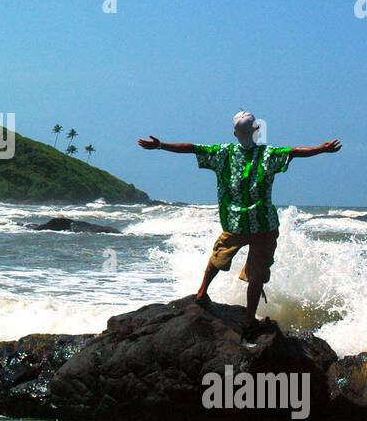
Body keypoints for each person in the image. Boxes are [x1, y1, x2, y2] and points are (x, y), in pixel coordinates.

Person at [137, 111, 341, 334]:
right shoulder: (268, 153)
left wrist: (160, 146)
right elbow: (295, 152)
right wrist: (321, 149)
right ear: (256, 131)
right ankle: (249, 318)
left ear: (234, 132)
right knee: (257, 274)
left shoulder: (222, 153)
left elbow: (191, 148)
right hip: (264, 224)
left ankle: (202, 292)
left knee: (218, 255)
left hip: (235, 223)